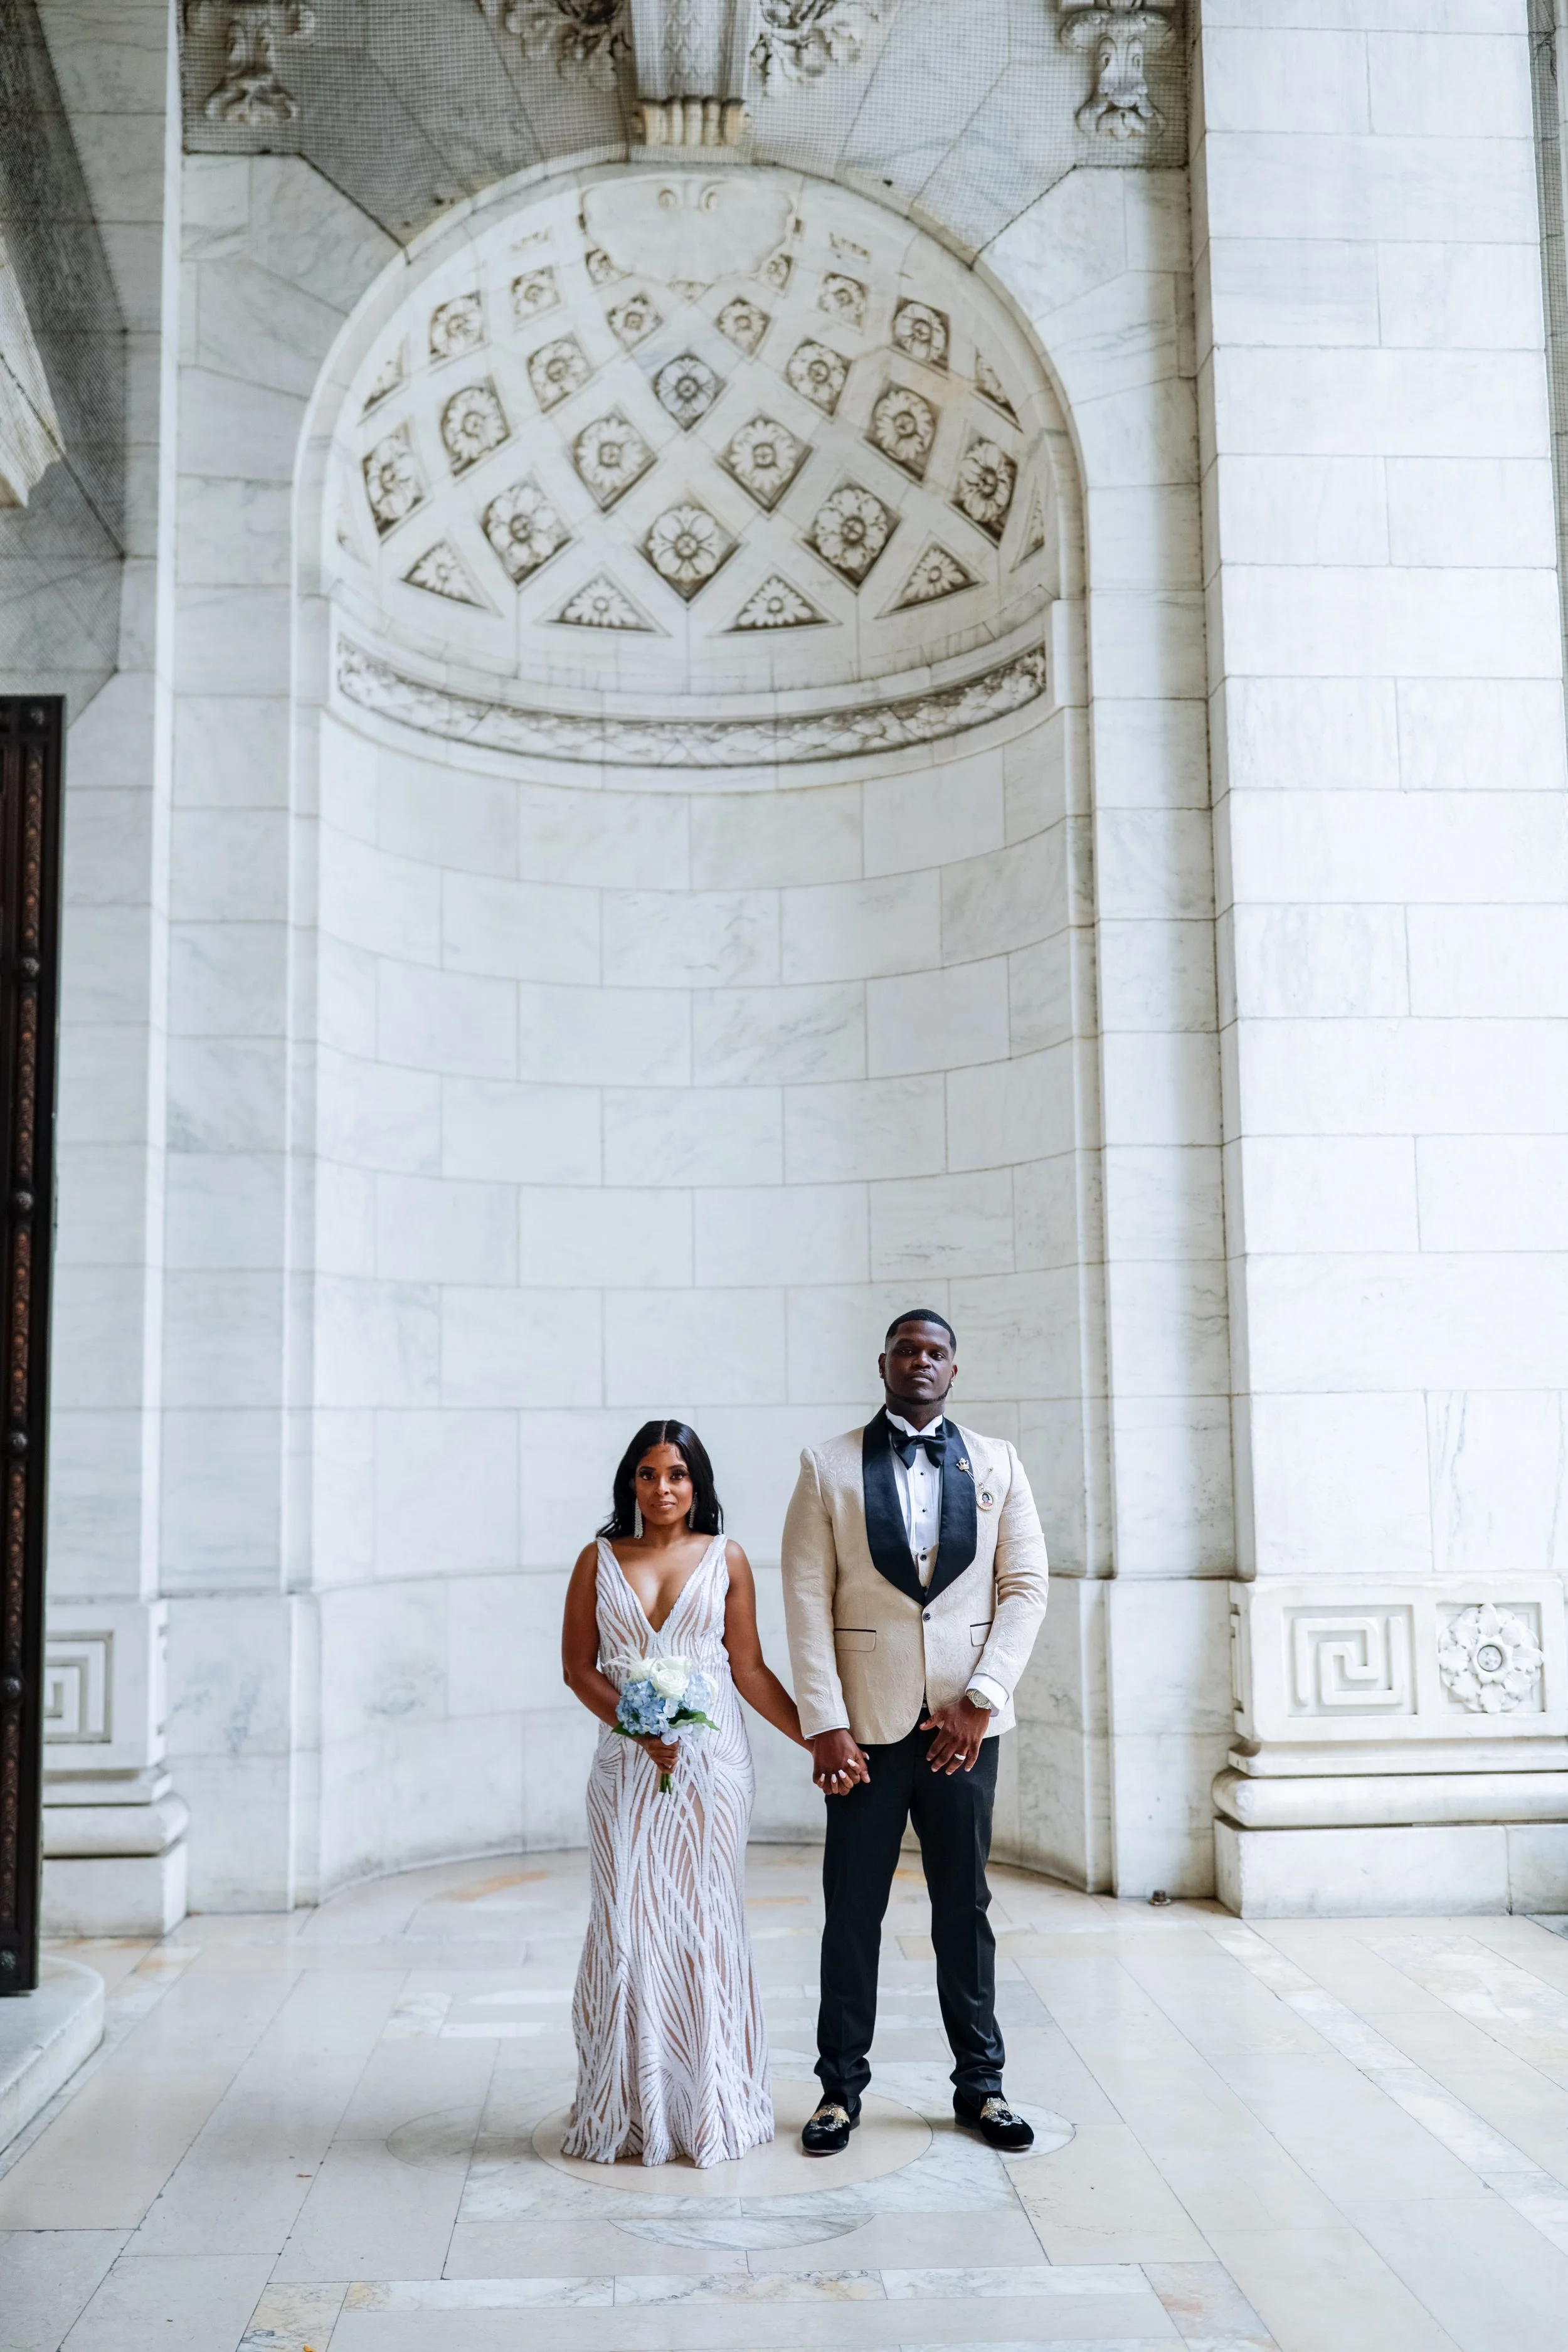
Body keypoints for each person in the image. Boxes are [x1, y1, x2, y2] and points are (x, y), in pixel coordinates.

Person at [781, 1311, 1049, 2156]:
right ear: (884, 1362)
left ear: (955, 1368)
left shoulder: (1000, 1462)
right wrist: (823, 1723)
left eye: (936, 1351)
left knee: (963, 1908)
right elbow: (804, 1599)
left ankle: (983, 2086)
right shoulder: (826, 1465)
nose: (921, 1361)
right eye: (907, 1349)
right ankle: (837, 2091)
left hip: (965, 1727)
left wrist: (983, 1695)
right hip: (864, 1728)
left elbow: (1027, 1586)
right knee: (852, 1910)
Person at [561, 1418, 808, 2167]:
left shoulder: (725, 1558)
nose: (661, 1489)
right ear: (629, 1484)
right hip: (625, 1771)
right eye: (646, 1474)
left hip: (712, 1770)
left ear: (696, 1485)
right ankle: (626, 2112)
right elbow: (579, 1670)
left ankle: (711, 2107)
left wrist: (822, 1739)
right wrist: (636, 1729)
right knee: (624, 1924)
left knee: (704, 1923)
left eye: (676, 1475)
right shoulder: (597, 1559)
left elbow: (751, 1669)